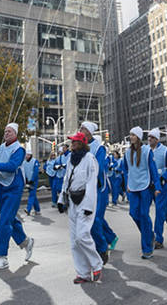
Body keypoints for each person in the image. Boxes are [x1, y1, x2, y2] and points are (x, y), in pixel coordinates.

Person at [0, 123, 35, 270]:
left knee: (4, 221)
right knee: (8, 217)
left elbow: (12, 166)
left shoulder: (19, 149)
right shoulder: (2, 148)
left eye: (9, 131)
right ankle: (26, 242)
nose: (6, 133)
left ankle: (1, 256)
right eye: (5, 131)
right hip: (2, 186)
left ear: (15, 134)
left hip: (14, 188)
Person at [58, 131, 101, 284]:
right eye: (72, 142)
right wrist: (61, 199)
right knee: (74, 241)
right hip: (72, 200)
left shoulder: (90, 159)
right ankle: (83, 273)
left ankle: (96, 264)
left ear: (82, 143)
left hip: (85, 201)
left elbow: (91, 182)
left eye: (75, 142)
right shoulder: (71, 158)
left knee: (82, 235)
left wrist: (89, 205)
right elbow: (66, 179)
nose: (72, 144)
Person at [79, 121, 117, 262]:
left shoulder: (99, 148)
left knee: (95, 219)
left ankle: (102, 248)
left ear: (89, 132)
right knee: (91, 219)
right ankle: (111, 237)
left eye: (83, 129)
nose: (80, 130)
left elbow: (98, 168)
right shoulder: (80, 146)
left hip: (99, 189)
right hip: (84, 189)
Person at [120, 126, 156, 259]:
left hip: (146, 187)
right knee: (133, 213)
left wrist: (157, 187)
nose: (131, 137)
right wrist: (127, 183)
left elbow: (152, 169)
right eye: (130, 135)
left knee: (144, 214)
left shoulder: (147, 151)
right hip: (133, 187)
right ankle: (149, 235)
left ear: (139, 137)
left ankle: (147, 249)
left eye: (133, 135)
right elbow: (125, 169)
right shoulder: (127, 152)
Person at [46, 144, 68, 209]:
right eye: (59, 151)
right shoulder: (58, 158)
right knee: (54, 189)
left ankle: (64, 203)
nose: (60, 152)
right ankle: (55, 202)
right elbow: (54, 166)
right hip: (58, 176)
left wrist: (63, 166)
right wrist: (56, 167)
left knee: (63, 190)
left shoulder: (68, 156)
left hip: (64, 176)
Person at [24, 145, 41, 216]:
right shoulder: (24, 162)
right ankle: (37, 209)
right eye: (26, 155)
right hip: (28, 181)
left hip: (34, 181)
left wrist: (32, 180)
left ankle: (28, 209)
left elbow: (36, 172)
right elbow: (24, 172)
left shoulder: (35, 161)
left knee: (31, 195)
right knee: (33, 195)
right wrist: (26, 180)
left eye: (28, 155)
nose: (26, 156)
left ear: (30, 155)